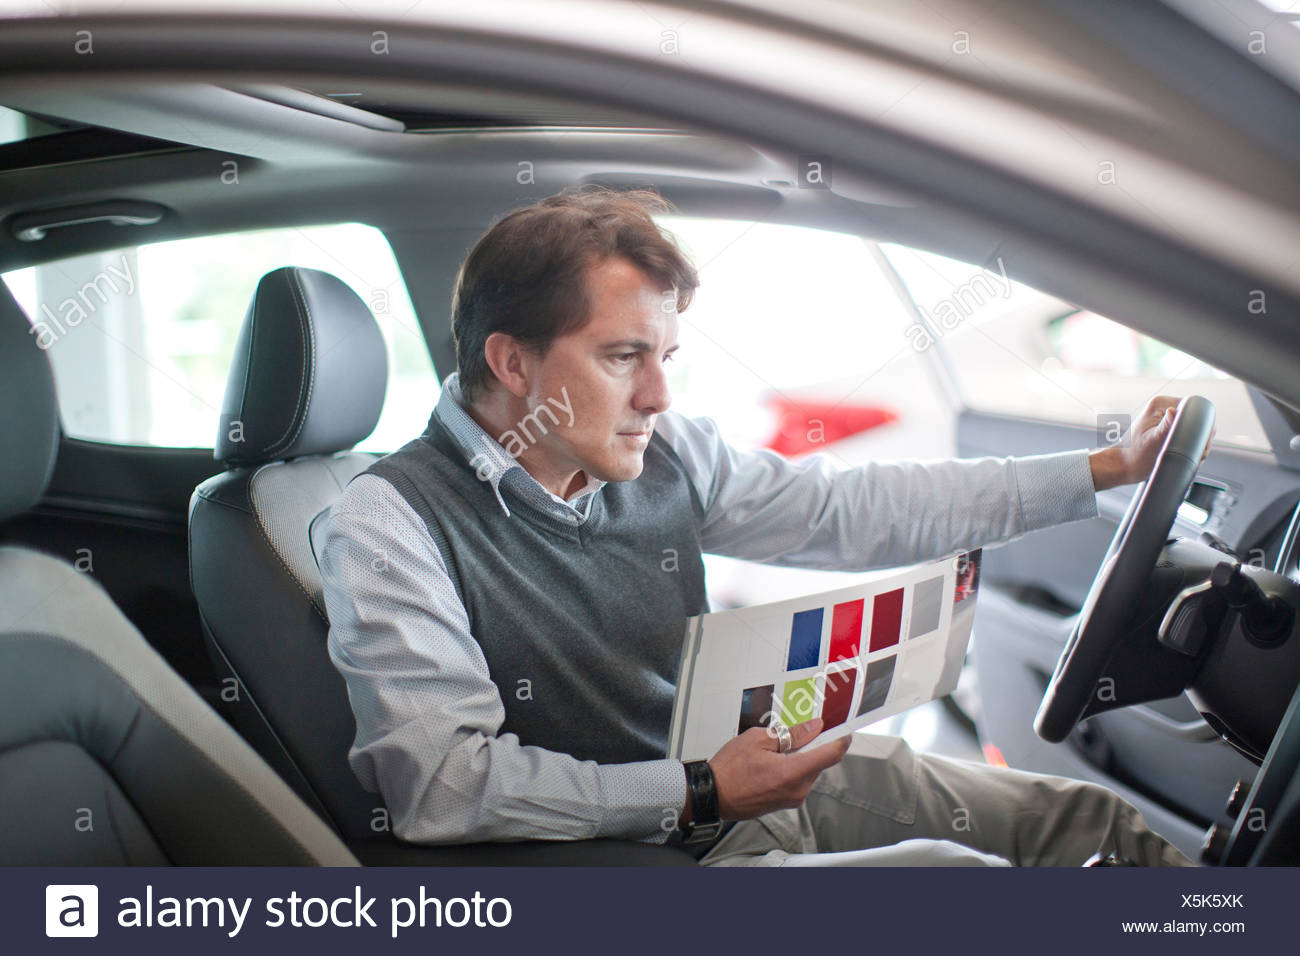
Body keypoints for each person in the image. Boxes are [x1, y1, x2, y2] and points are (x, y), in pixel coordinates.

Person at [320, 188, 1197, 866]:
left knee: (1088, 825)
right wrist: (698, 789)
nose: (658, 396)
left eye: (664, 357)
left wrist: (1101, 471)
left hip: (744, 790)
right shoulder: (390, 521)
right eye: (624, 356)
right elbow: (441, 785)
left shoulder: (664, 452)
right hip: (637, 862)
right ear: (511, 362)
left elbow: (852, 510)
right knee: (955, 874)